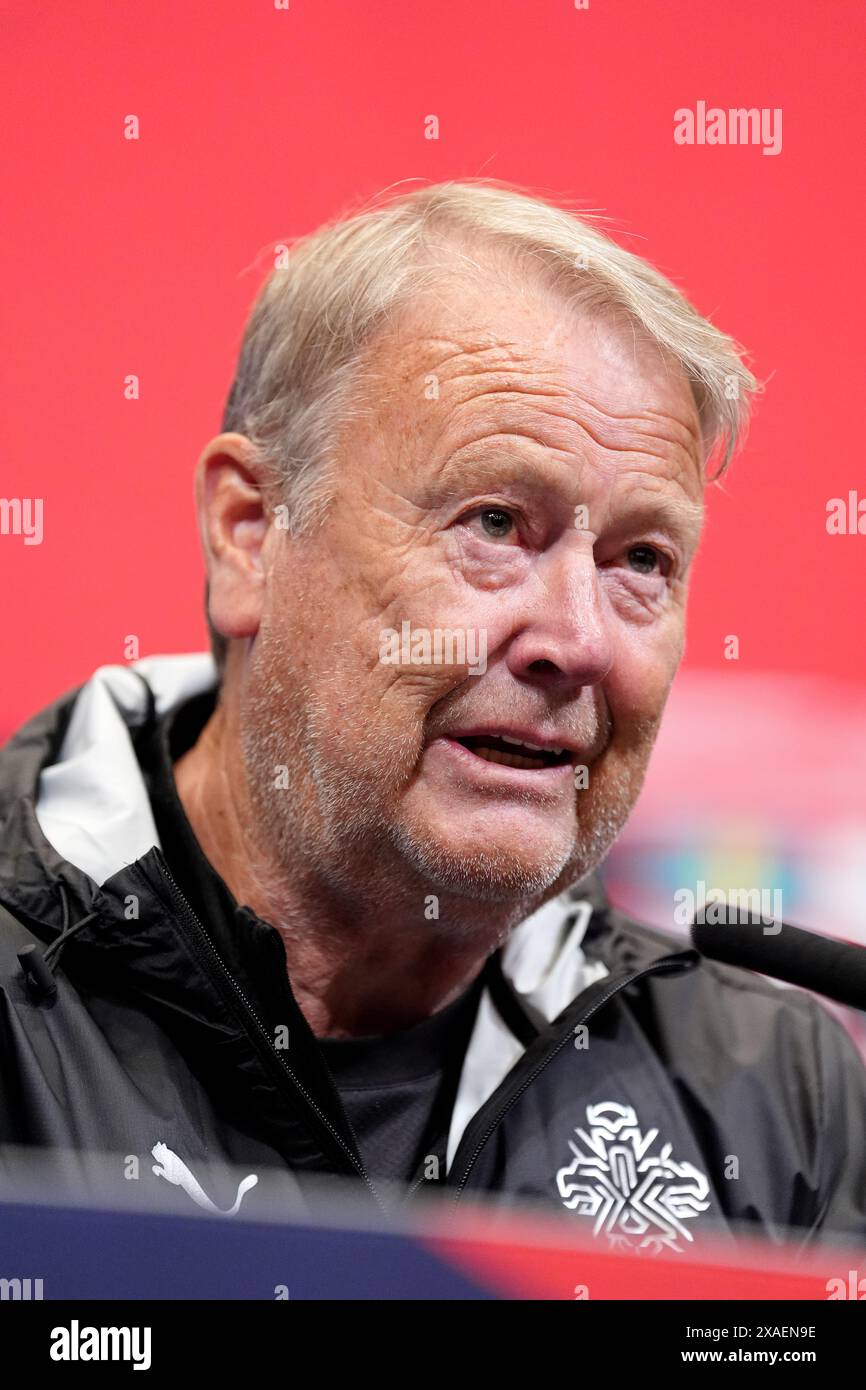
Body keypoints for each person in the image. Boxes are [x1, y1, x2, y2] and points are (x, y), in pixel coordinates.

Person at [2, 181, 864, 1254]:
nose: (579, 640)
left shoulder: (778, 1098)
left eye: (640, 559)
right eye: (495, 523)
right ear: (248, 532)